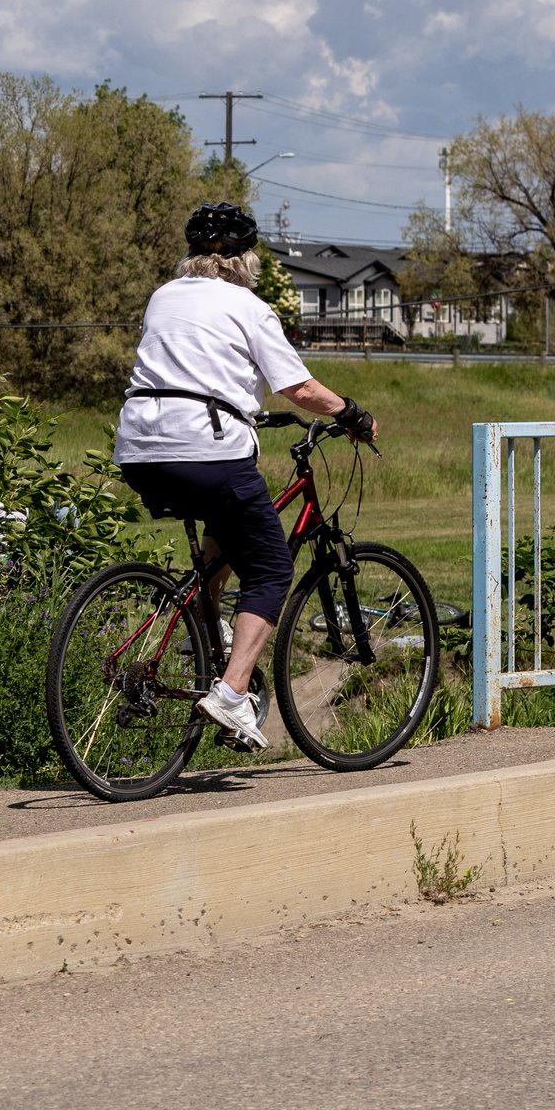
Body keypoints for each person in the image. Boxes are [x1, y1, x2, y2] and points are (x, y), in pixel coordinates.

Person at [114, 202, 377, 750]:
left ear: (191, 255)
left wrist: (246, 409)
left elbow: (194, 365)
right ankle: (232, 693)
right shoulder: (249, 307)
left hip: (138, 449)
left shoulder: (163, 296)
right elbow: (299, 388)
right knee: (273, 568)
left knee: (225, 531)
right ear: (245, 260)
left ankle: (206, 629)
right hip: (205, 448)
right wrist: (351, 413)